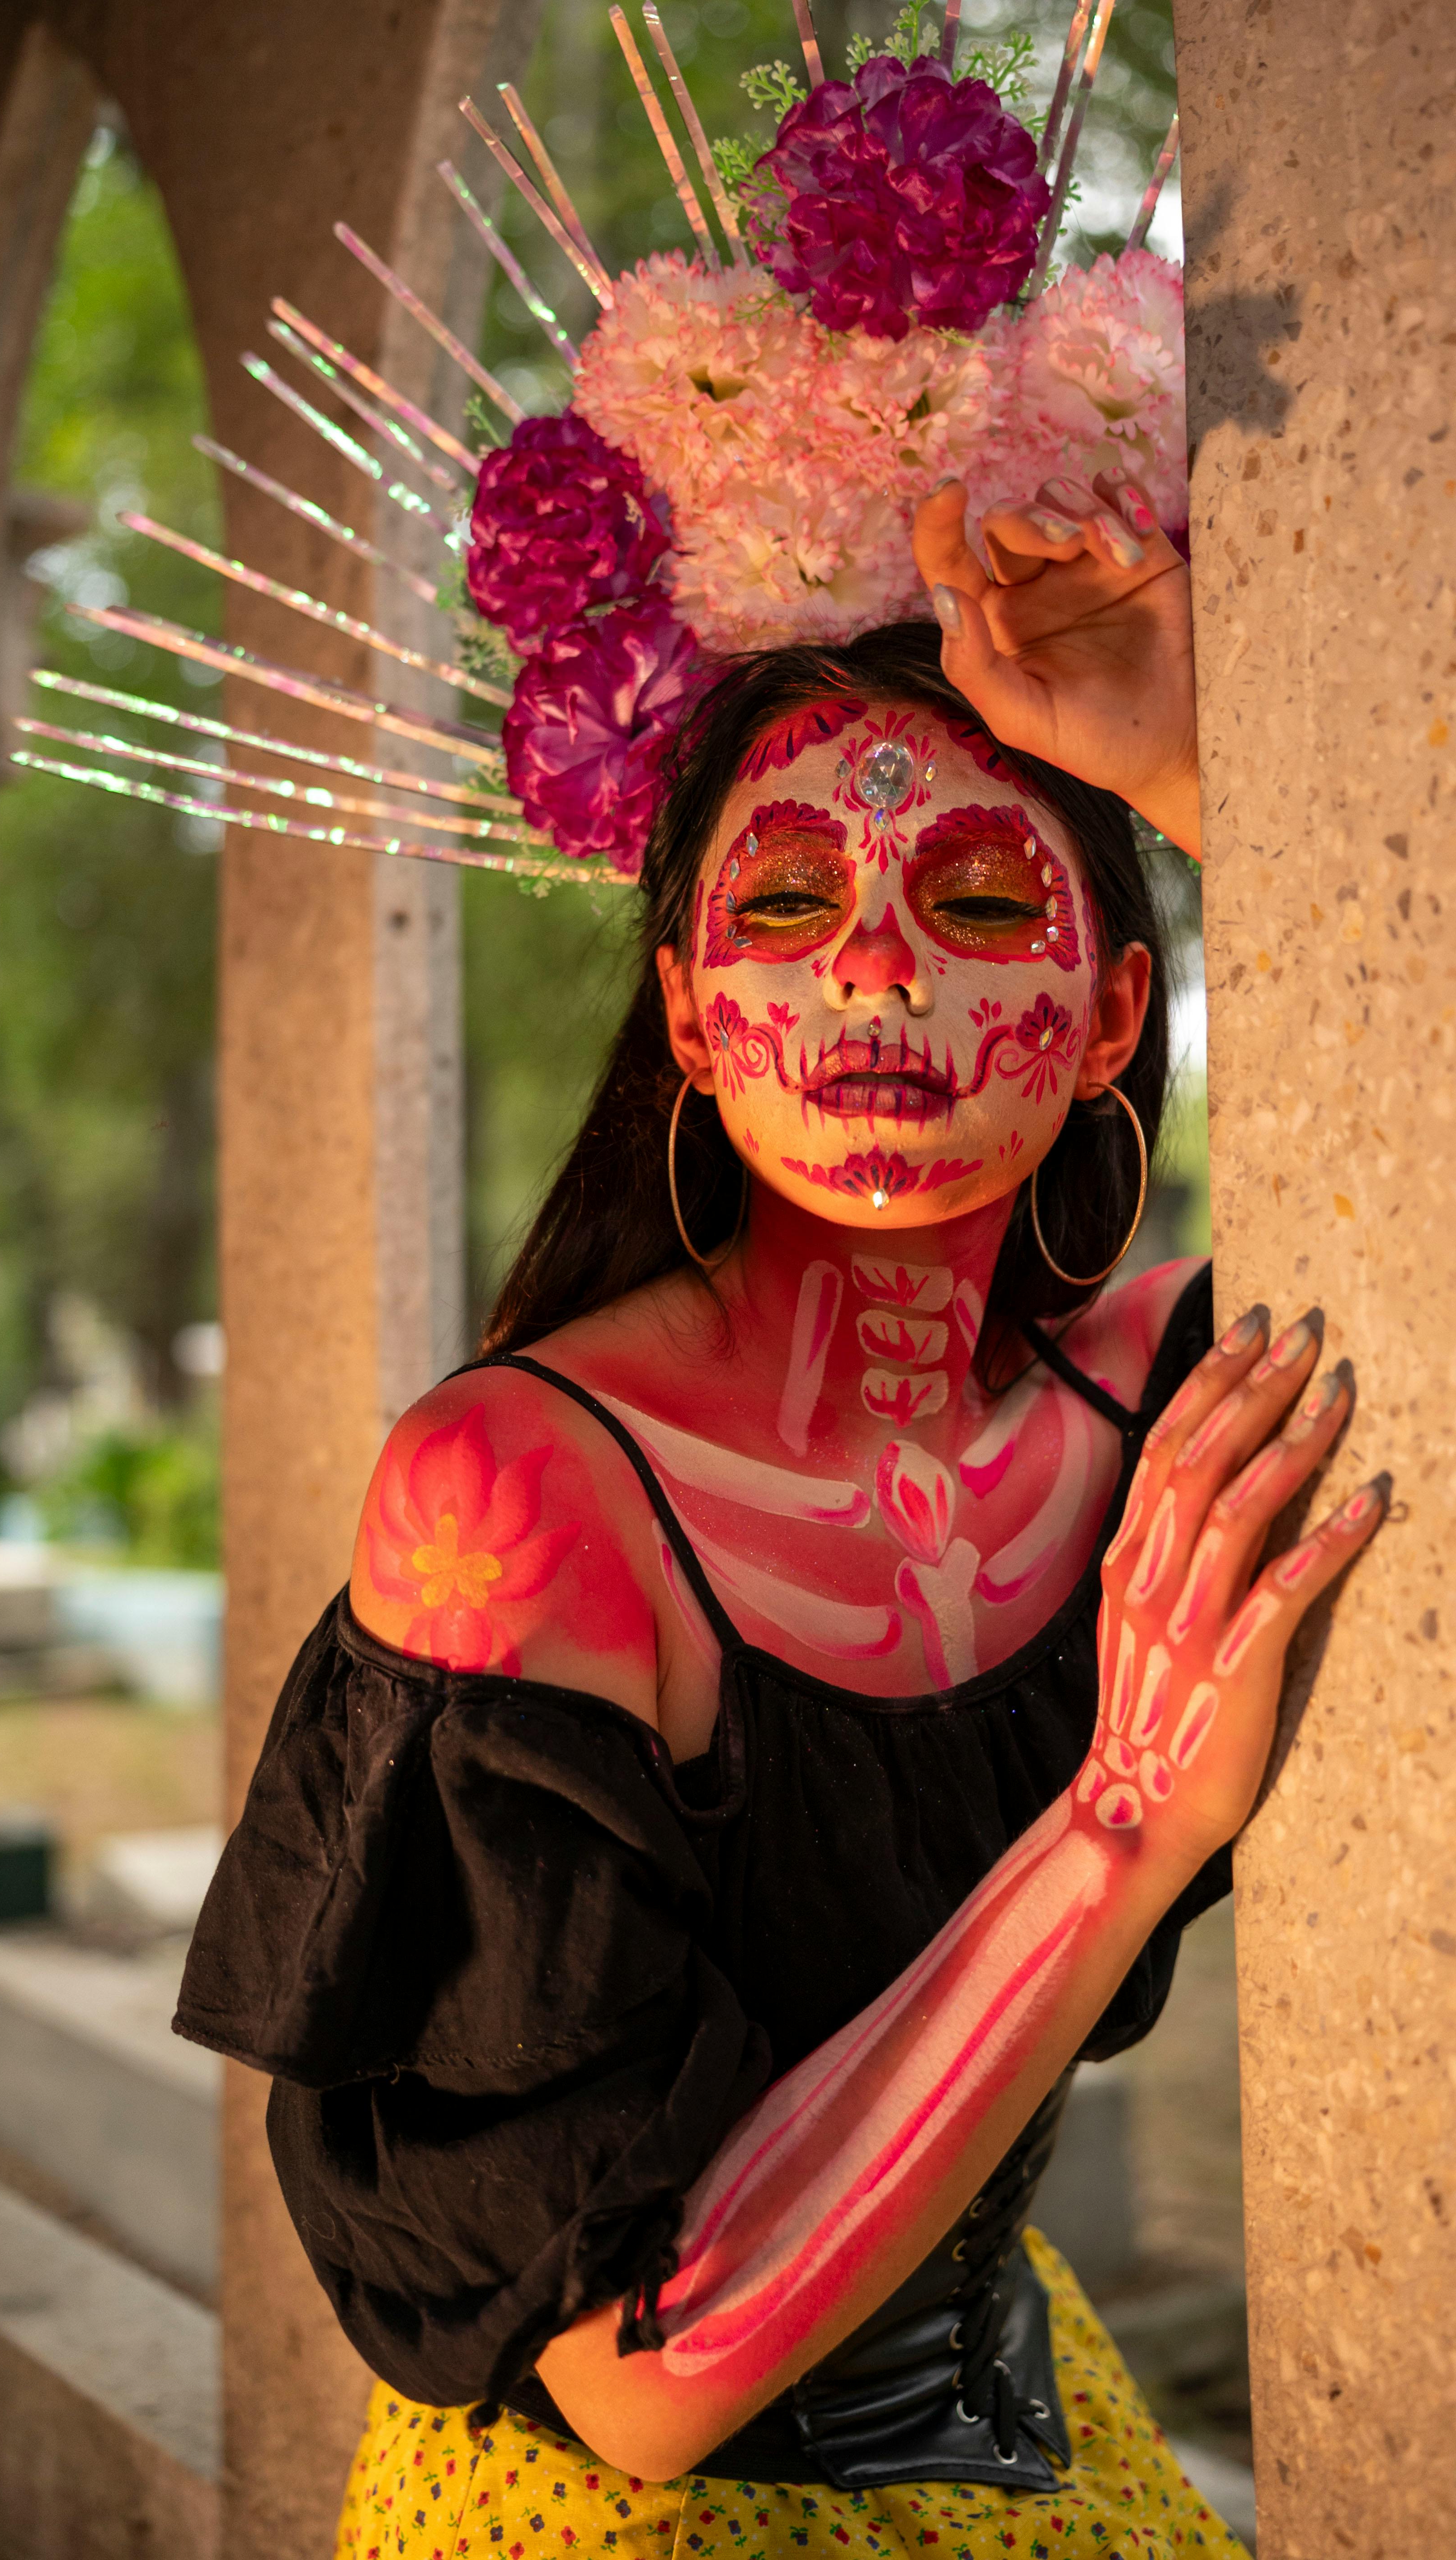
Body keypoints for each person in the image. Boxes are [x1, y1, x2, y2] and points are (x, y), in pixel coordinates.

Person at [177, 472, 1386, 2560]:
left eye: (981, 908)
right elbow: (634, 2374)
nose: (877, 977)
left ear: (1114, 1014)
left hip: (1033, 2439)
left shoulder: (1174, 1384)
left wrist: (1191, 768)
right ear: (684, 1014)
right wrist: (1116, 1819)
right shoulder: (520, 1498)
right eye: (790, 905)